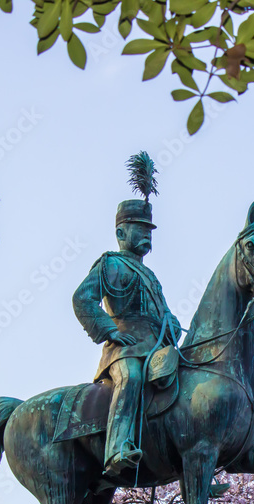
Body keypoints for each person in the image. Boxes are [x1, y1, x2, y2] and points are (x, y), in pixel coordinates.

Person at [73, 153, 181, 475]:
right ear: (121, 233)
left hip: (158, 348)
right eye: (139, 228)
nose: (147, 233)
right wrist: (109, 330)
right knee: (131, 378)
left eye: (149, 229)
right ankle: (117, 447)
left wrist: (172, 323)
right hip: (126, 348)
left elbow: (163, 313)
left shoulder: (153, 277)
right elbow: (82, 298)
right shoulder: (110, 264)